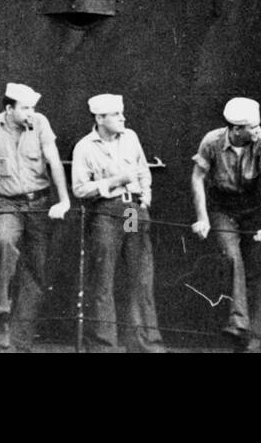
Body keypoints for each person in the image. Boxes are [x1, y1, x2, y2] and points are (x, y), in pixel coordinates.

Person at [0, 82, 70, 350]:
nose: (32, 112)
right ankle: (2, 313)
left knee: (36, 270)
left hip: (40, 204)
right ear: (9, 109)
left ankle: (21, 338)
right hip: (8, 204)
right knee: (4, 243)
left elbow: (53, 160)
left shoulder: (40, 123)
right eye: (26, 108)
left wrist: (64, 200)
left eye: (33, 107)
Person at [71, 93, 166, 353]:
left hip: (132, 212)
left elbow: (143, 171)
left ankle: (146, 345)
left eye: (122, 112)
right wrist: (115, 181)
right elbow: (80, 189)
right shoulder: (85, 147)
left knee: (140, 275)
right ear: (100, 118)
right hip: (105, 213)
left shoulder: (131, 137)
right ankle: (103, 347)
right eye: (116, 114)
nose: (123, 117)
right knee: (103, 279)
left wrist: (144, 199)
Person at [190, 96, 261, 351]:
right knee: (232, 258)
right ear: (237, 129)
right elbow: (197, 179)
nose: (258, 130)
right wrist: (202, 217)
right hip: (222, 208)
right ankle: (238, 322)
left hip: (253, 208)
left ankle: (252, 343)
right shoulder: (212, 142)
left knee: (256, 270)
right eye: (253, 127)